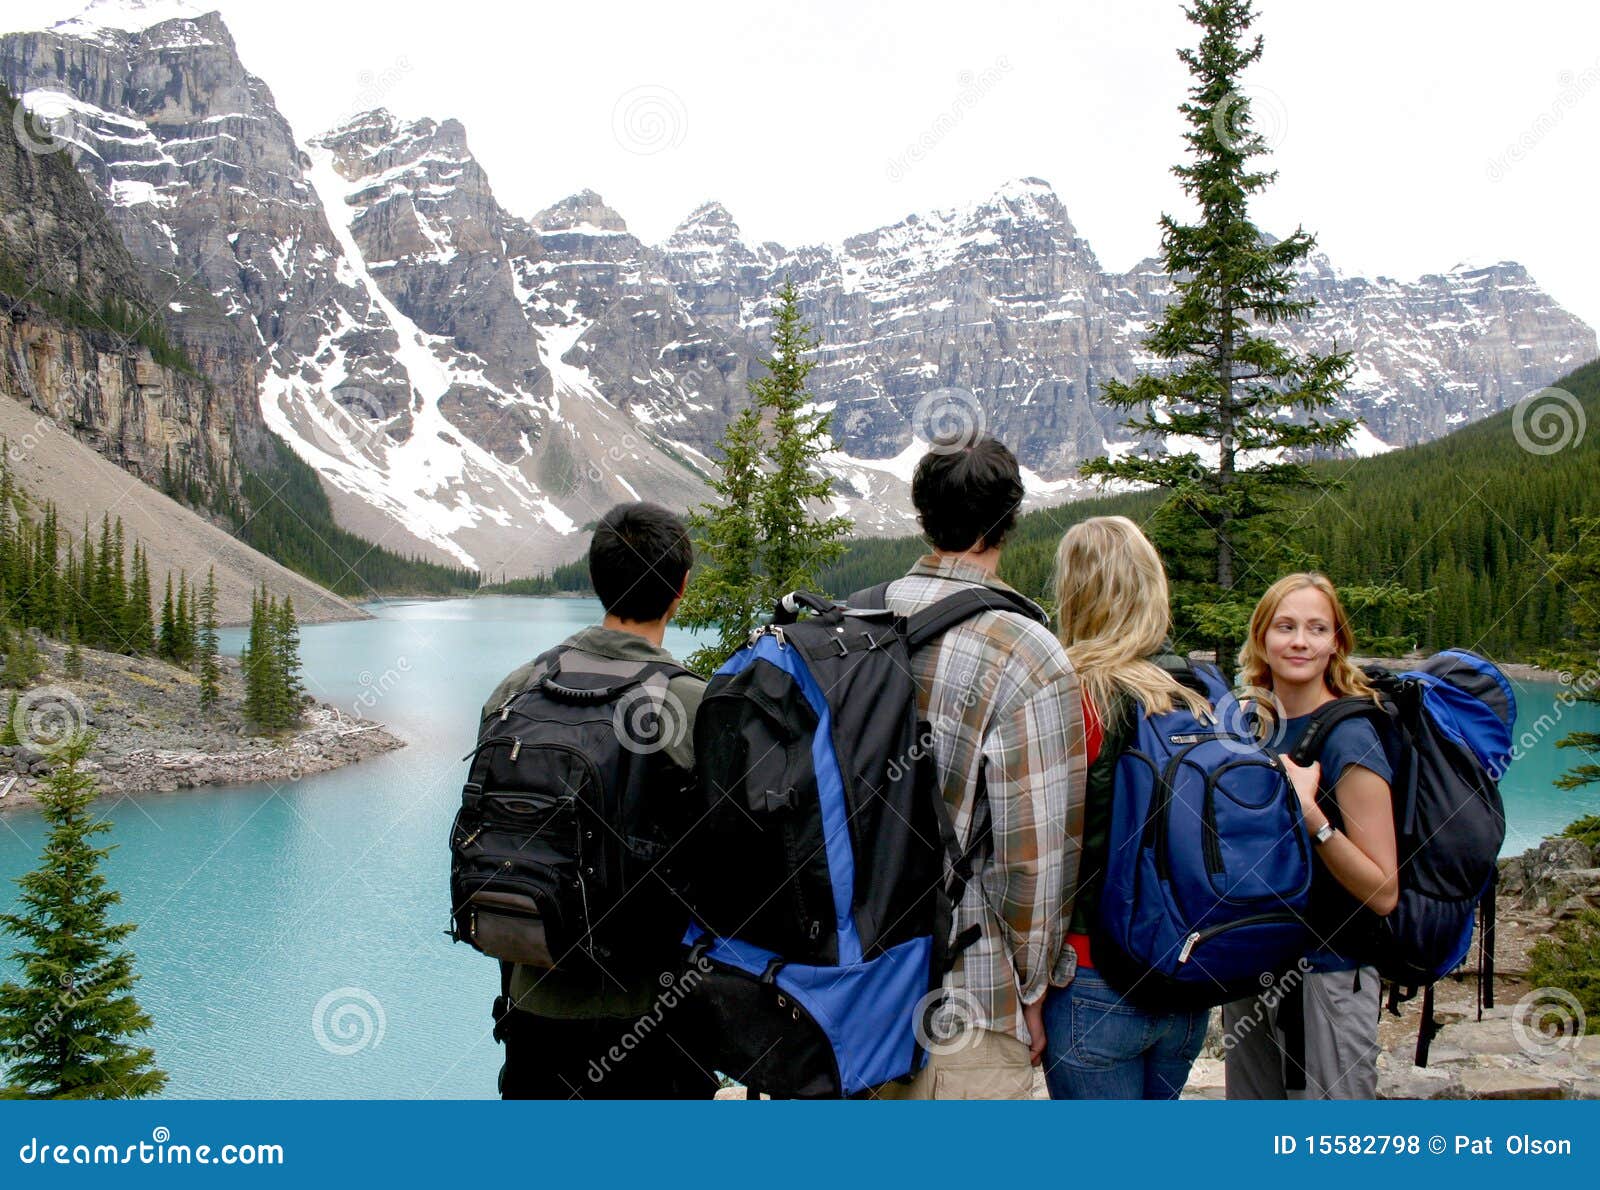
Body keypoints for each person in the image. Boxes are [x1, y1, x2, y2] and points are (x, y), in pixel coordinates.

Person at [870, 437, 1086, 1100]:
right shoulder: (1029, 653)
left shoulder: (850, 622)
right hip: (966, 999)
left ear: (922, 517)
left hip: (845, 994)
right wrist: (1033, 988)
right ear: (1010, 520)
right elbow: (1034, 861)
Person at [479, 502, 717, 1100]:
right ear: (680, 589)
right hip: (654, 1020)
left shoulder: (516, 690)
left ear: (595, 580)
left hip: (533, 1009)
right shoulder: (692, 706)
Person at [1041, 515, 1214, 1099]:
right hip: (1188, 977)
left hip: (1095, 976)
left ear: (1076, 592)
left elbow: (1043, 857)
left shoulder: (1074, 696)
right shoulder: (1201, 693)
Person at [1222, 573, 1400, 1100]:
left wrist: (1311, 816)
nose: (1300, 641)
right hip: (1252, 967)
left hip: (1330, 975)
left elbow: (1383, 890)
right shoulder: (1250, 727)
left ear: (1336, 644)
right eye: (1286, 626)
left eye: (1317, 628)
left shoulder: (1351, 736)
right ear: (1261, 638)